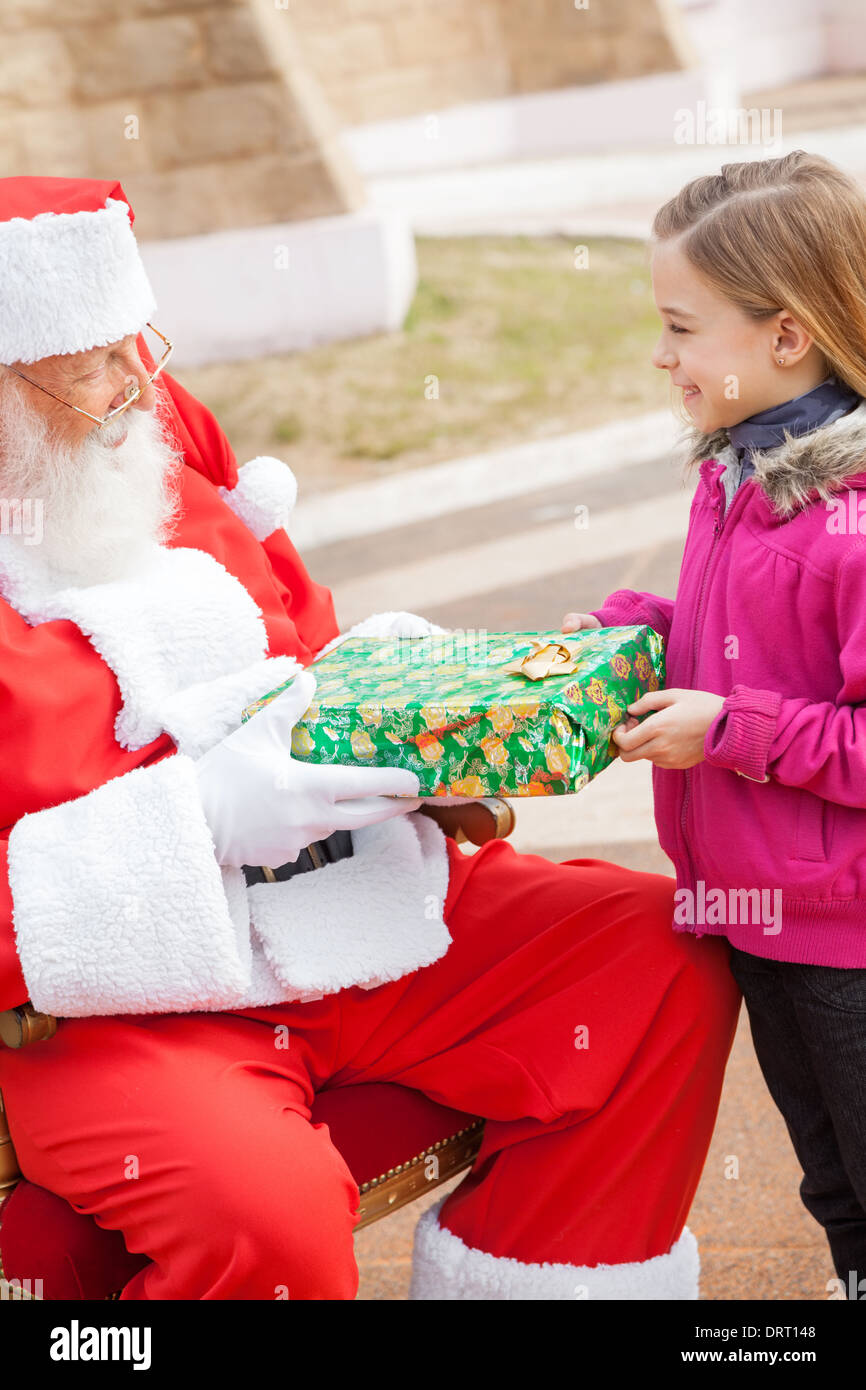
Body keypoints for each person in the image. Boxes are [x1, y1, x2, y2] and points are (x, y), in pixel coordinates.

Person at [0, 176, 740, 1301]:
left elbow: (309, 642)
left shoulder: (150, 440)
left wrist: (430, 727)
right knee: (265, 1214)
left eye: (135, 343)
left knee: (653, 954)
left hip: (349, 907)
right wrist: (194, 826)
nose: (137, 384)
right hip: (122, 1011)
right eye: (90, 362)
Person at [564, 148, 866, 1301]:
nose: (660, 354)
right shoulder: (738, 468)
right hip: (760, 919)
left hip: (845, 940)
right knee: (829, 1183)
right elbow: (738, 633)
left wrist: (727, 731)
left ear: (783, 335)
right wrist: (636, 630)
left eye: (680, 327)